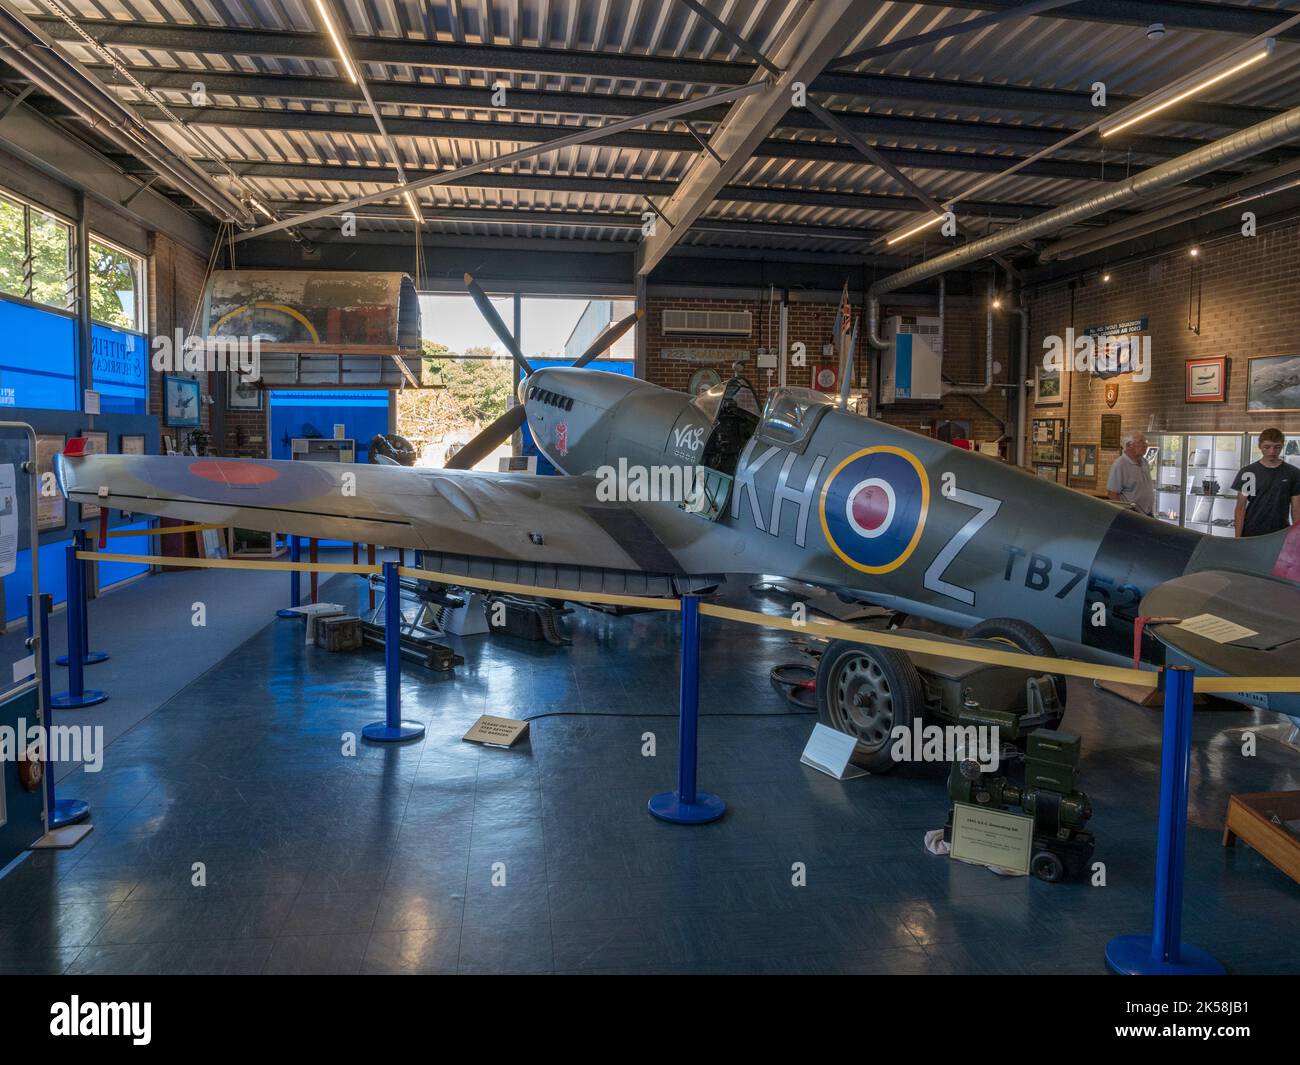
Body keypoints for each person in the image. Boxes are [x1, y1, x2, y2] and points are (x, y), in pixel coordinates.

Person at [1231, 427, 1300, 537]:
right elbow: (1241, 507)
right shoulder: (1248, 473)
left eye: (1277, 447)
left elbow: (1296, 509)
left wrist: (1297, 537)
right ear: (1260, 446)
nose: (1272, 451)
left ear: (1282, 446)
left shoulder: (1293, 473)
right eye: (1267, 447)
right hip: (1251, 532)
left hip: (1280, 533)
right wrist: (1238, 538)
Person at [1106, 430, 1154, 516]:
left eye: (1145, 442)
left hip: (1148, 514)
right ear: (1129, 445)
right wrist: (1125, 514)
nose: (1146, 445)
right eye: (1141, 442)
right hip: (1132, 516)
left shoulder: (1144, 462)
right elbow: (1112, 494)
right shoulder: (1120, 465)